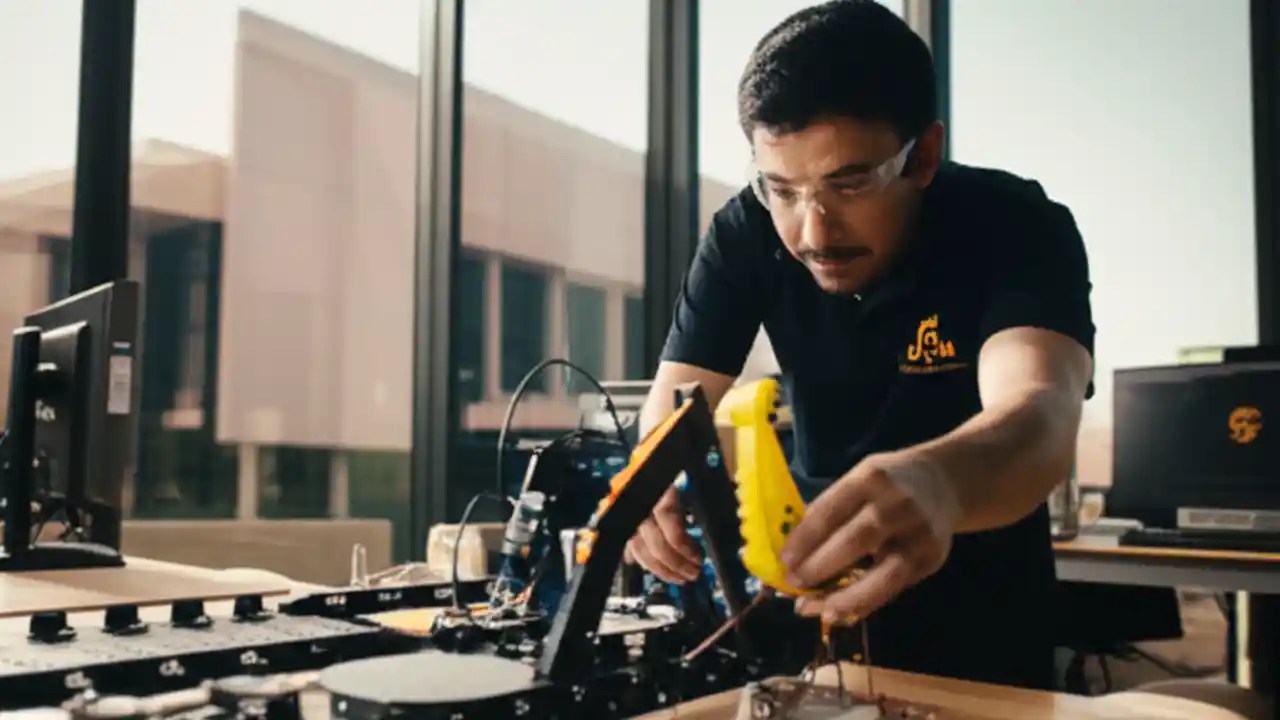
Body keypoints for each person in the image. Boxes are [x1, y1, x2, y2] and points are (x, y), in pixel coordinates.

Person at [623, 0, 1095, 691]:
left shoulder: (1013, 225)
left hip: (984, 627)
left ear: (922, 155)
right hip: (815, 620)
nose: (813, 232)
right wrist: (653, 476)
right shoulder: (744, 233)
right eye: (782, 189)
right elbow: (674, 406)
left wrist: (939, 482)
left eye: (849, 184)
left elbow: (1041, 414)